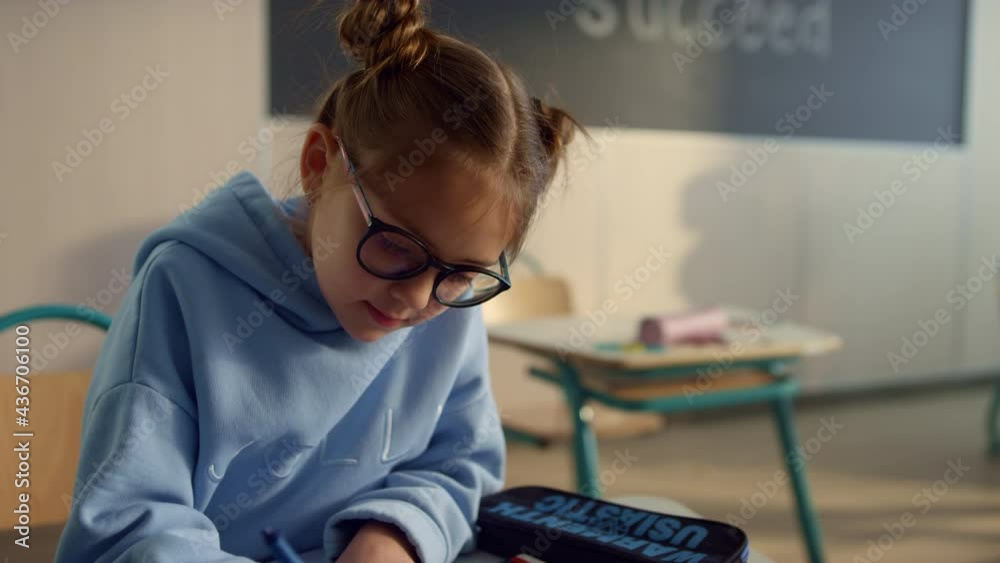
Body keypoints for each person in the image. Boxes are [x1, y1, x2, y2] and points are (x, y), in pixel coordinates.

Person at [54, 1, 580, 562]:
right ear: (317, 165)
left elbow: (461, 465)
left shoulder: (447, 302)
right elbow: (123, 530)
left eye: (460, 274)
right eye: (397, 246)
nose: (417, 297)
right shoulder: (183, 290)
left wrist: (396, 534)